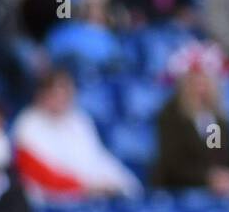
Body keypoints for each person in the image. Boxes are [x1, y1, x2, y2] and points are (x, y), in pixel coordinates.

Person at [11, 68, 142, 200]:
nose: (62, 98)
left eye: (66, 92)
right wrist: (85, 188)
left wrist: (125, 184)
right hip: (48, 203)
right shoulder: (27, 123)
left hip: (88, 197)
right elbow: (39, 173)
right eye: (55, 93)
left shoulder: (79, 119)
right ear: (41, 94)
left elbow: (98, 157)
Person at [150, 44, 229, 195]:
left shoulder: (216, 120)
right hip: (178, 192)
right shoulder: (170, 116)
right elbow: (172, 163)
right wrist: (208, 178)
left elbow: (222, 157)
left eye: (205, 81)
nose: (200, 88)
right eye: (194, 81)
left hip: (215, 193)